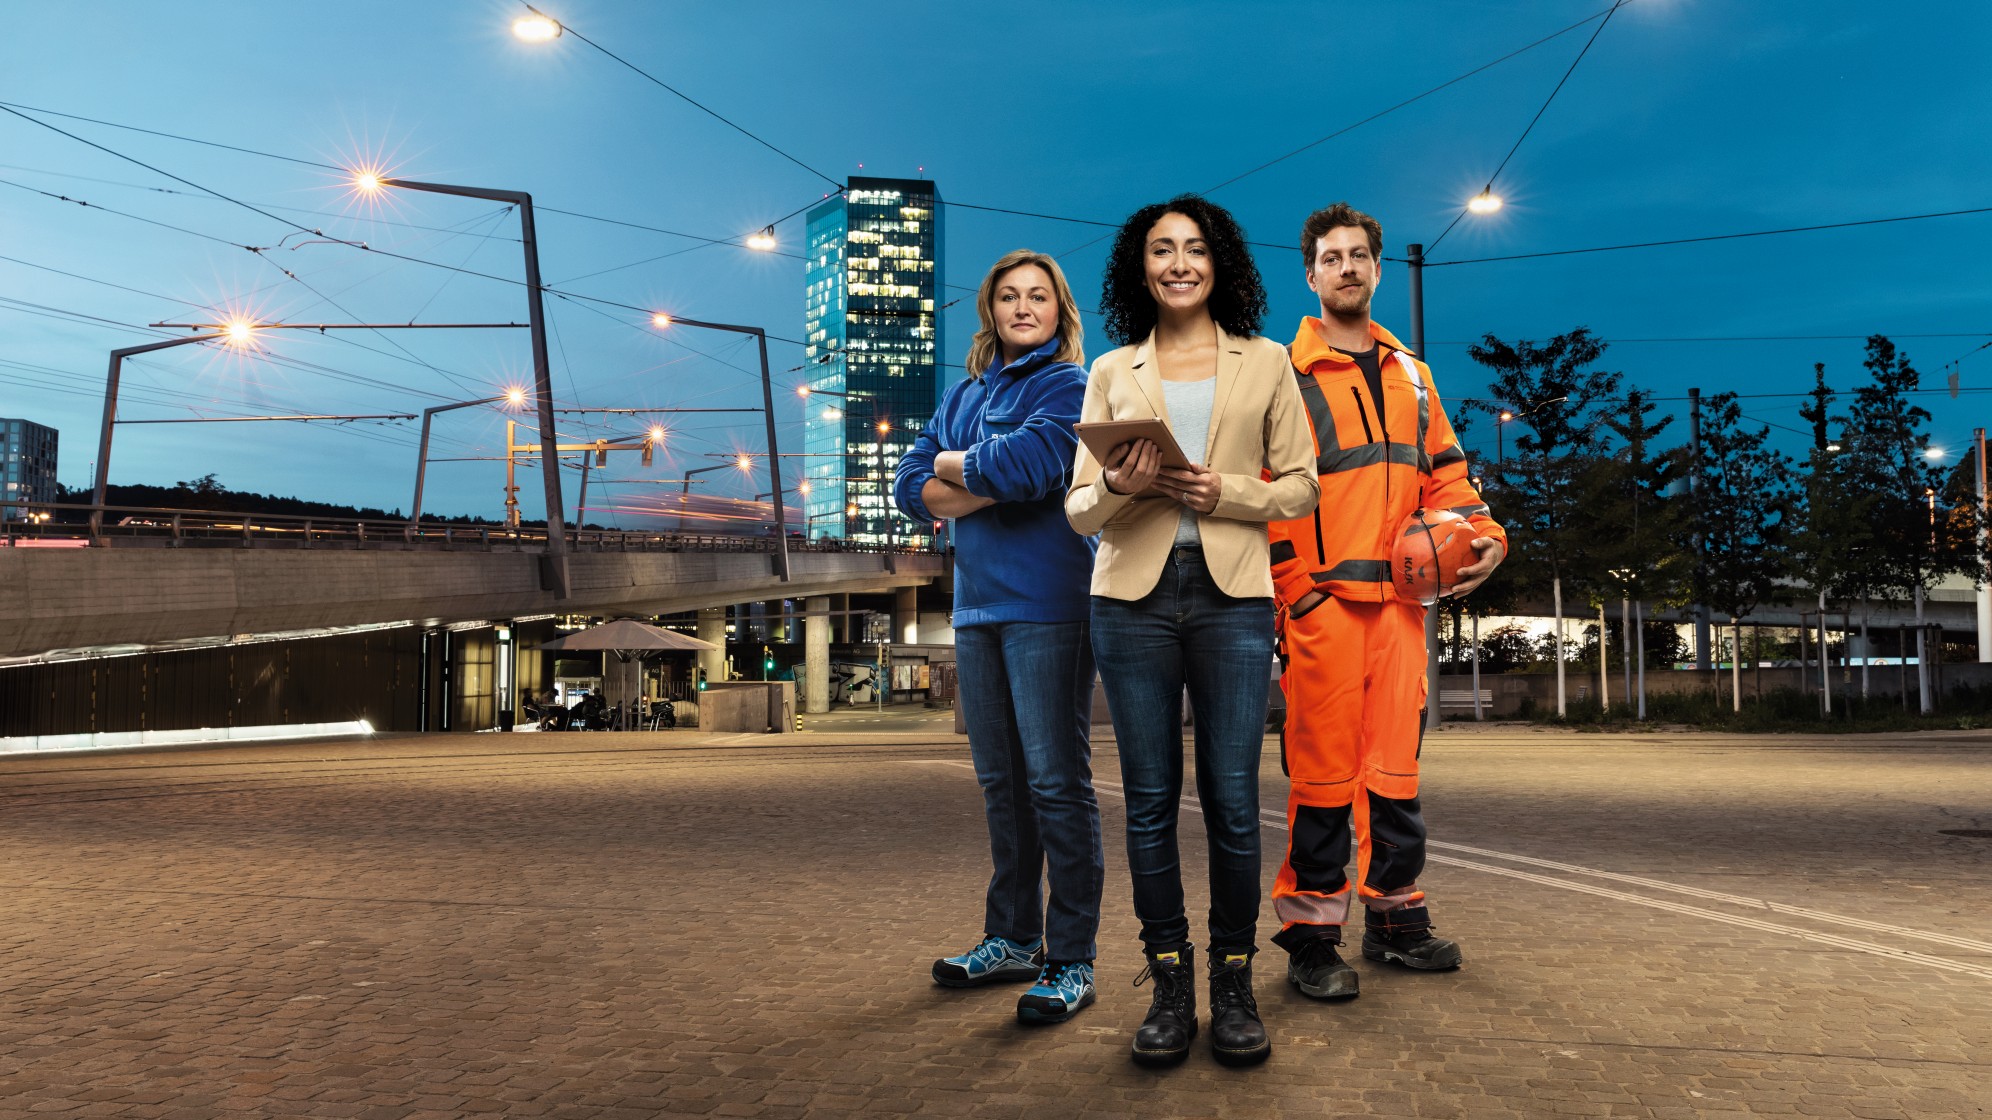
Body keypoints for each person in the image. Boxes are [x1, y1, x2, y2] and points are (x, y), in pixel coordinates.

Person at [1066, 196, 1318, 1067]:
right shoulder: (1110, 370)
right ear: (1140, 268)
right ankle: (1171, 985)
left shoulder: (1269, 361)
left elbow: (1301, 486)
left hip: (1233, 597)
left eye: (1196, 249)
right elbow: (1077, 511)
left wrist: (1230, 495)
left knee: (1234, 803)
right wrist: (1125, 487)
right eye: (1162, 250)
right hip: (1128, 601)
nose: (1180, 263)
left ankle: (1236, 981)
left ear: (1221, 264)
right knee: (1147, 806)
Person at [1266, 202, 1507, 1001]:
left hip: (1403, 612)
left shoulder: (1415, 374)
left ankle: (1396, 918)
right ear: (1311, 275)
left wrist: (1488, 535)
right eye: (1331, 257)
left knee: (1394, 774)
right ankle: (1310, 938)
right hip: (1325, 608)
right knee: (1323, 780)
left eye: (1359, 255)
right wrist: (1295, 597)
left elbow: (1449, 479)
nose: (1346, 267)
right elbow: (1266, 498)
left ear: (1377, 268)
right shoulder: (1284, 375)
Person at [894, 250, 1104, 1024]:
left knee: (1056, 784)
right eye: (1009, 296)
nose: (1023, 308)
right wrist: (966, 480)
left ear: (1059, 309)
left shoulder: (1069, 386)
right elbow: (905, 485)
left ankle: (1072, 957)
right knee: (1001, 788)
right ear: (991, 309)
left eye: (1037, 296)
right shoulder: (963, 392)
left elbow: (1032, 466)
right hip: (977, 610)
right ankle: (1012, 938)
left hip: (1051, 605)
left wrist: (957, 473)